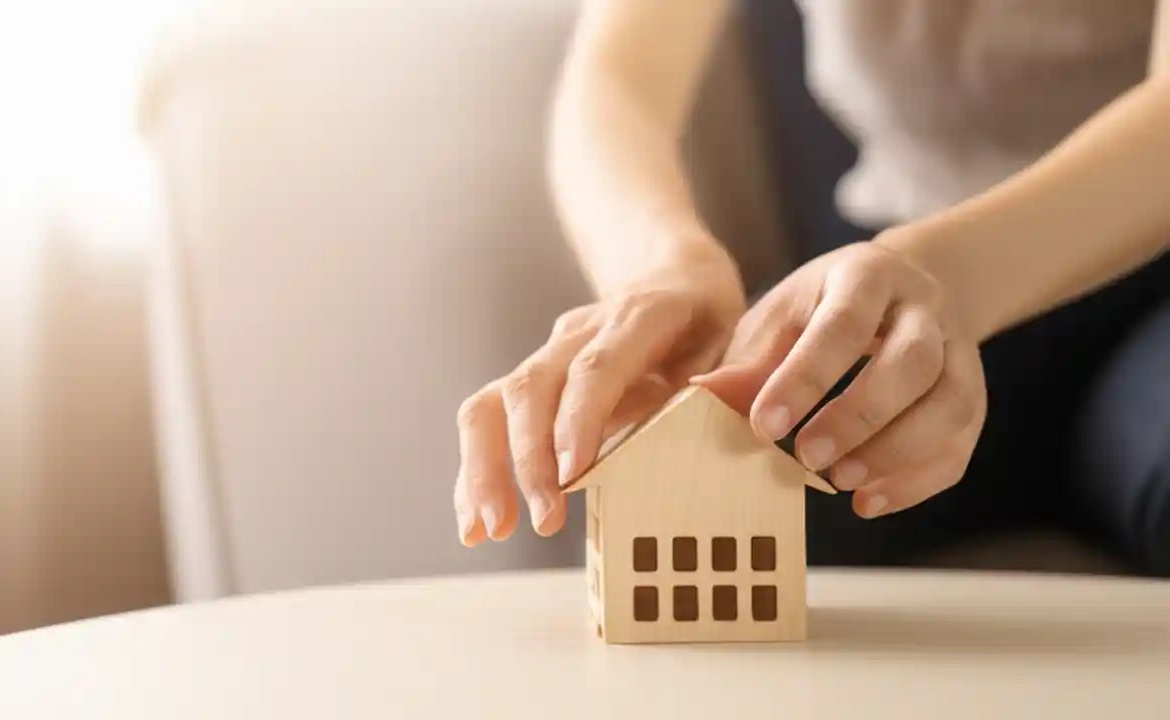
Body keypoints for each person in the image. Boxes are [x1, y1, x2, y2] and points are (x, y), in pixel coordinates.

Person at [452, 0, 1170, 574]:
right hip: (892, 274)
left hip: (1139, 274)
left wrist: (947, 273)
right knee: (683, 501)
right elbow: (618, 80)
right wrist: (663, 269)